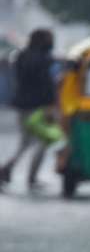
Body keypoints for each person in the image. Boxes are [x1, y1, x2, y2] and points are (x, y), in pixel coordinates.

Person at [0, 29, 57, 192]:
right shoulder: (44, 60)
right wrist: (51, 105)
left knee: (26, 142)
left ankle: (7, 169)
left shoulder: (22, 56)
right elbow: (47, 85)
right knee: (43, 140)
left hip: (22, 106)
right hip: (38, 107)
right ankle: (32, 177)